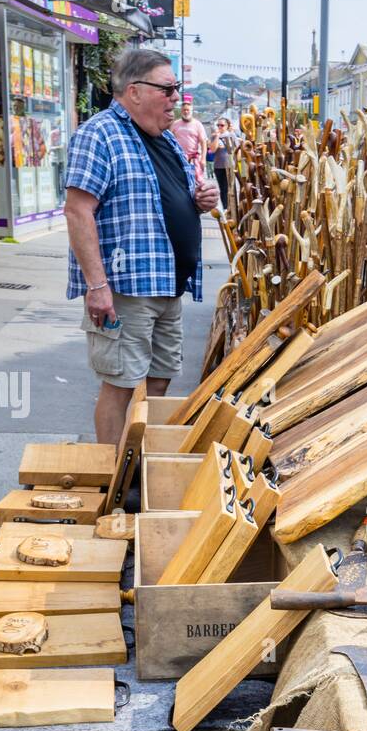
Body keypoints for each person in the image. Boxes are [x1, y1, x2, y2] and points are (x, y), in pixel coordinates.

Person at [64, 47, 219, 446]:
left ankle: (136, 469)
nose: (176, 98)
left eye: (176, 89)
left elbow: (165, 203)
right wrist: (97, 287)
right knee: (120, 384)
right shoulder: (99, 133)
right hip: (125, 289)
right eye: (168, 89)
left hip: (168, 284)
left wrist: (198, 201)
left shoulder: (164, 140)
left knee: (160, 379)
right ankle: (112, 481)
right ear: (134, 91)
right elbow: (78, 211)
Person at [170, 95, 208, 184]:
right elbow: (169, 140)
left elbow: (203, 142)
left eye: (188, 110)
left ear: (191, 111)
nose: (186, 112)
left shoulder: (198, 124)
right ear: (181, 111)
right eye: (184, 110)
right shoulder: (175, 124)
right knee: (180, 182)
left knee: (197, 182)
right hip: (179, 157)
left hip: (194, 158)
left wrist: (203, 158)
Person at [209, 116, 239, 209]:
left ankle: (233, 207)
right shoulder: (214, 136)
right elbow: (213, 150)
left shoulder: (231, 135)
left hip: (230, 166)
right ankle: (226, 208)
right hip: (218, 166)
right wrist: (217, 136)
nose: (220, 127)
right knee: (223, 189)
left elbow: (238, 149)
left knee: (230, 188)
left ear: (227, 126)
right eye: (218, 125)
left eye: (222, 125)